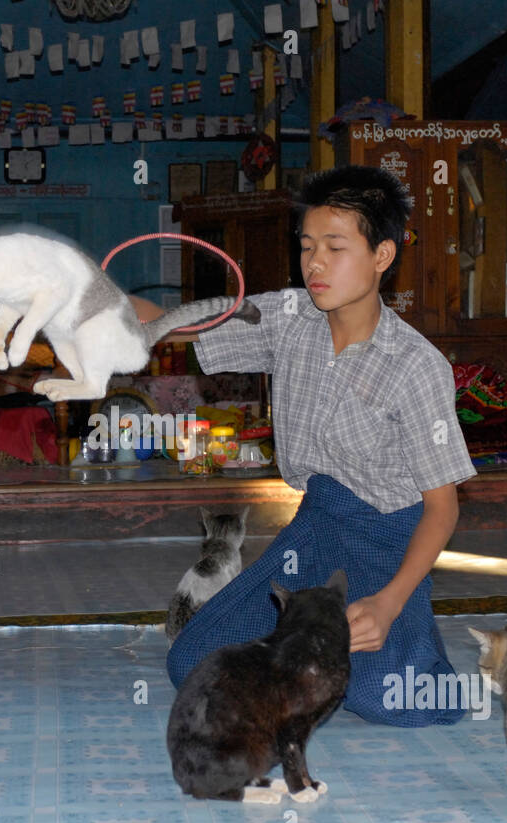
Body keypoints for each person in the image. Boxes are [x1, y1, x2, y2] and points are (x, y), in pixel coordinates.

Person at [164, 165, 477, 726]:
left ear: (382, 255)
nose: (314, 264)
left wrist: (388, 602)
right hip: (312, 531)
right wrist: (89, 311)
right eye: (307, 246)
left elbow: (443, 506)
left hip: (387, 540)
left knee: (390, 698)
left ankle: (424, 654)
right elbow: (178, 325)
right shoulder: (290, 317)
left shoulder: (416, 366)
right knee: (193, 659)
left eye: (335, 247)